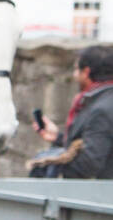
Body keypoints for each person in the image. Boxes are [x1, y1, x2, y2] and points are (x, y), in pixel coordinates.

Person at [32, 44, 113, 178]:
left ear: (86, 72)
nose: (74, 75)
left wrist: (51, 163)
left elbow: (89, 164)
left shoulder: (101, 110)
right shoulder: (102, 100)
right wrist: (58, 138)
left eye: (76, 69)